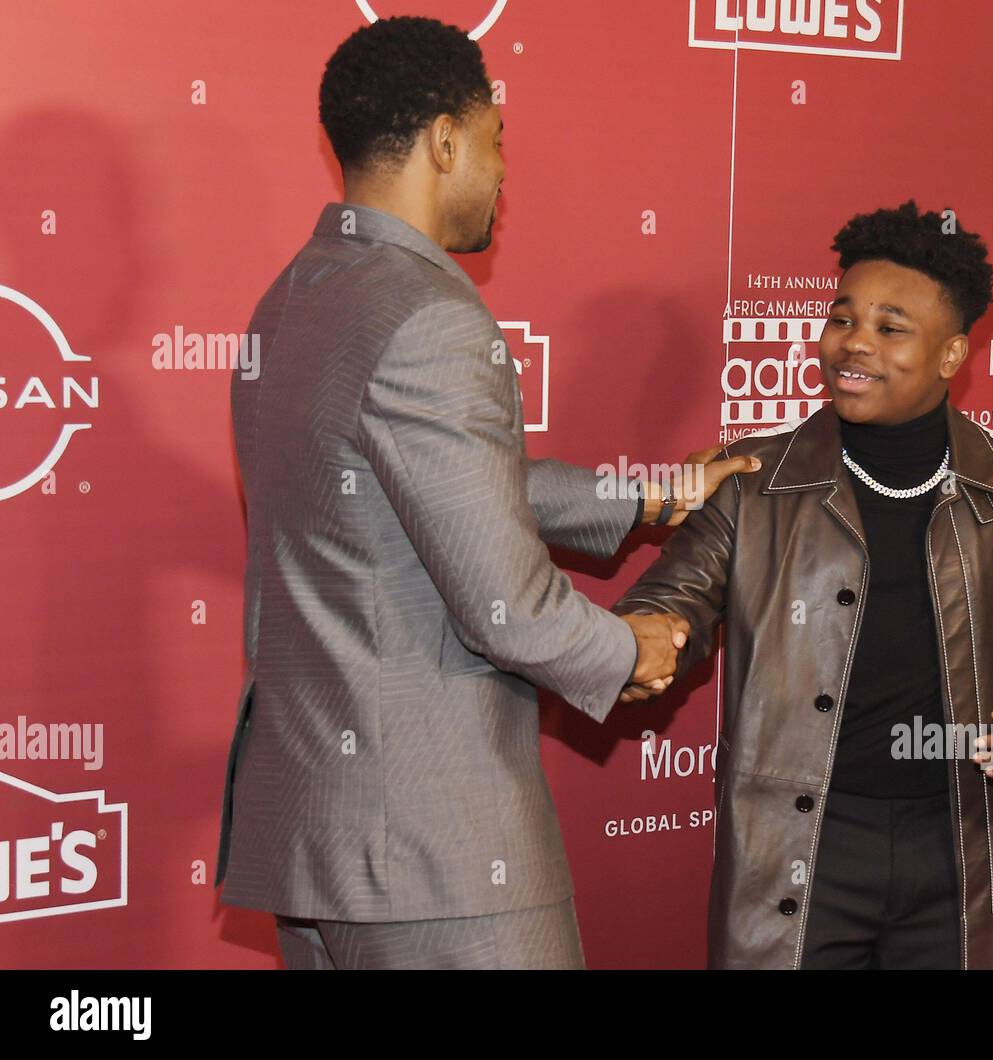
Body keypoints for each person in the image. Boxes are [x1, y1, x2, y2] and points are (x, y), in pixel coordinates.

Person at [213, 16, 758, 970]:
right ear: (445, 140)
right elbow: (505, 606)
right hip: (438, 855)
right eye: (498, 140)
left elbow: (456, 487)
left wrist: (658, 496)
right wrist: (630, 647)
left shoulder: (293, 299)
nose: (505, 172)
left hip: (316, 844)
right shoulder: (430, 317)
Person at [614, 200, 993, 969]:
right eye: (842, 319)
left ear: (953, 354)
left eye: (891, 329)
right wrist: (635, 644)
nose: (854, 344)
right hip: (806, 857)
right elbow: (670, 603)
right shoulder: (754, 481)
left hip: (971, 851)